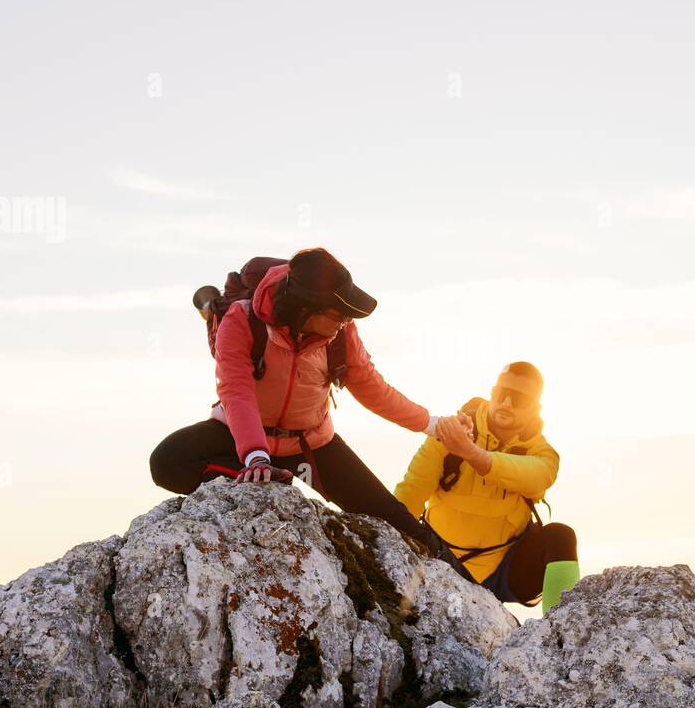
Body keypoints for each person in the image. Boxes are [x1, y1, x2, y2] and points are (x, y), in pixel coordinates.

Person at [149, 247, 453, 552]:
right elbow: (236, 391)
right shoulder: (242, 319)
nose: (345, 320)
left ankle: (469, 584)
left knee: (394, 520)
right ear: (306, 309)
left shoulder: (341, 334)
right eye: (337, 313)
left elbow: (372, 387)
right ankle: (267, 480)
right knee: (166, 463)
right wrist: (255, 455)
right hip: (241, 437)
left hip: (310, 444)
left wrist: (431, 424)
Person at [393, 362, 580, 614]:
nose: (507, 403)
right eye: (501, 393)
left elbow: (536, 476)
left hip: (506, 570)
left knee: (560, 536)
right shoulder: (450, 432)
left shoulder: (542, 453)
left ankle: (560, 630)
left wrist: (471, 453)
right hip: (444, 560)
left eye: (519, 398)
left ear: (535, 407)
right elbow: (411, 492)